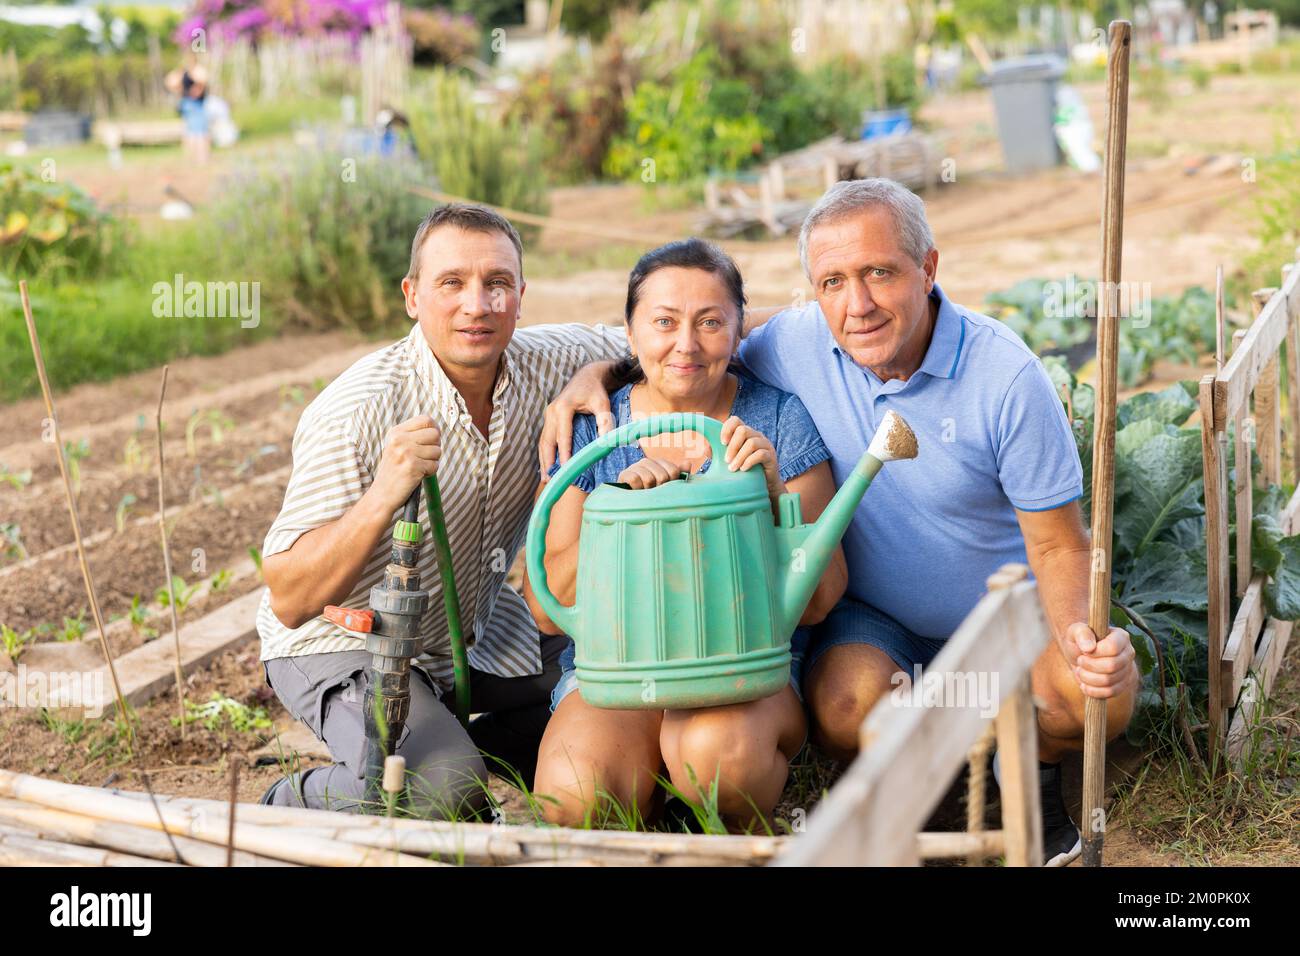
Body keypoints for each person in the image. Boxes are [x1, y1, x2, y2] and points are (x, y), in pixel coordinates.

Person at [539, 179, 1139, 865]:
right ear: (815, 292)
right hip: (881, 622)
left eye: (880, 272)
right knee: (847, 708)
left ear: (929, 268)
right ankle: (956, 759)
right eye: (833, 282)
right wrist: (599, 374)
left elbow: (1061, 544)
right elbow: (691, 338)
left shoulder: (1005, 377)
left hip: (1003, 619)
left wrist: (1080, 640)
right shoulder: (796, 342)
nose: (858, 305)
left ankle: (1028, 761)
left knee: (1090, 698)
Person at [257, 203, 628, 815]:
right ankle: (289, 804)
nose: (476, 305)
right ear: (412, 295)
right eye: (451, 283)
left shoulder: (549, 362)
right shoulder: (358, 409)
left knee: (631, 668)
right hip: (345, 642)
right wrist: (384, 493)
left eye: (497, 284)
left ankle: (463, 746)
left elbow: (675, 335)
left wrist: (600, 369)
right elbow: (290, 598)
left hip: (477, 635)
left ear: (521, 295)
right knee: (437, 794)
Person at [526, 239, 846, 832]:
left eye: (710, 322)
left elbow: (821, 600)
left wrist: (773, 493)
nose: (687, 345)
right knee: (575, 796)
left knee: (718, 764)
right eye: (665, 322)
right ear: (630, 331)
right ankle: (656, 809)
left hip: (743, 673)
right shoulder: (595, 429)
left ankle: (722, 818)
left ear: (739, 328)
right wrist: (615, 509)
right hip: (621, 676)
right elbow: (549, 612)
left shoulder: (778, 419)